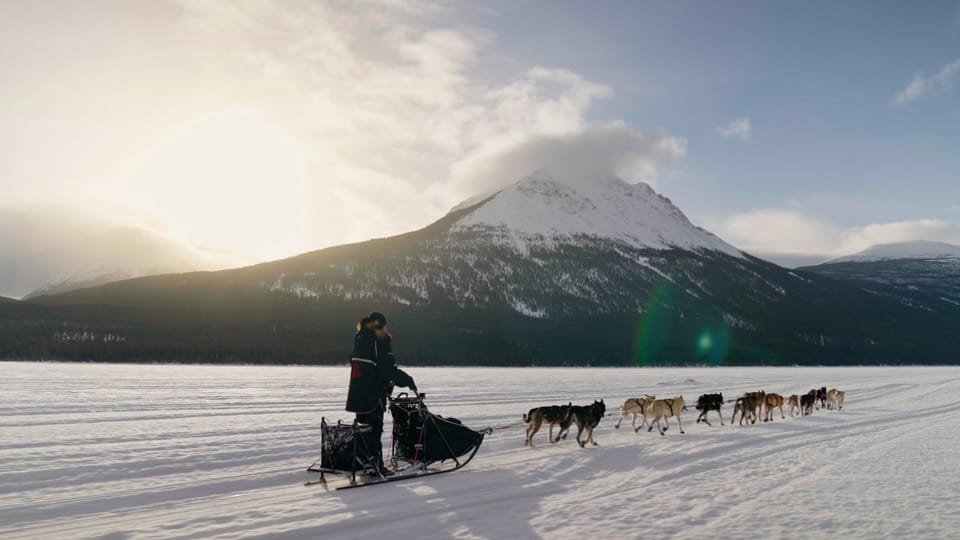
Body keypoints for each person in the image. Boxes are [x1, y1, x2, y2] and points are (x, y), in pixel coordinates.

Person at [345, 311, 417, 475]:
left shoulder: (360, 338)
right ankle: (376, 465)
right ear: (381, 326)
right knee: (374, 428)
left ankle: (363, 462)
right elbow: (387, 369)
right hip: (373, 393)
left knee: (363, 428)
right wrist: (407, 380)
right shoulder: (380, 340)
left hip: (356, 392)